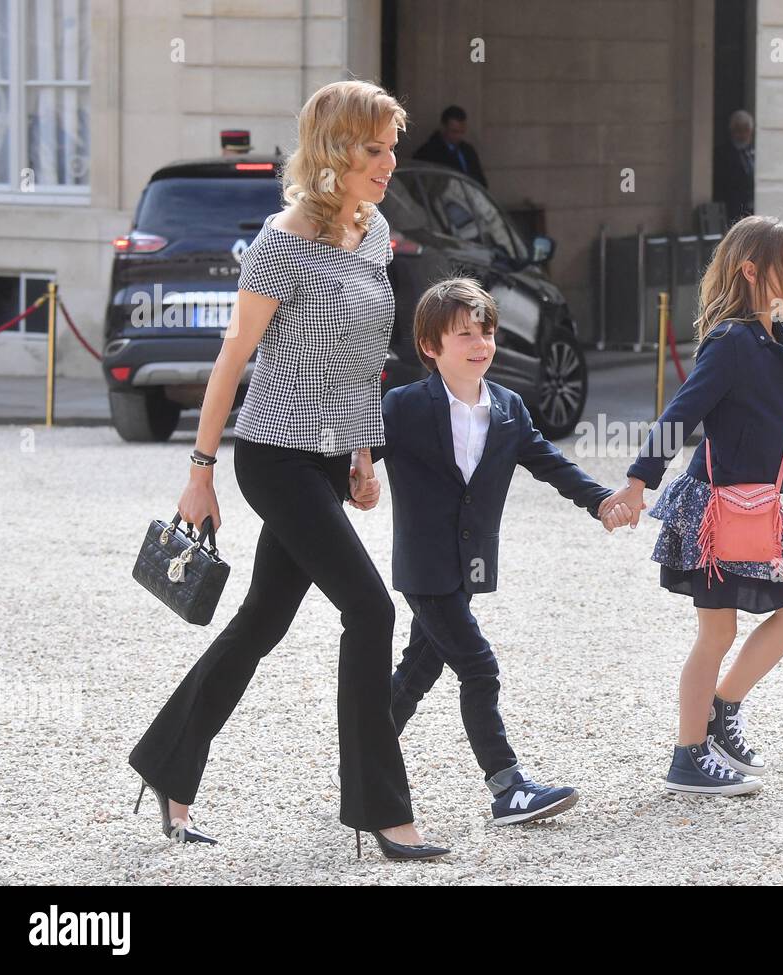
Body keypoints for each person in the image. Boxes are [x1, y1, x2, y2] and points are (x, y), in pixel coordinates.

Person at [128, 80, 449, 862]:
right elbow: (233, 356)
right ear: (336, 151)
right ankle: (380, 811)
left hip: (331, 455)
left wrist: (363, 456)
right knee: (371, 611)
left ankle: (165, 768)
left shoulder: (371, 235)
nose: (389, 161)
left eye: (391, 146)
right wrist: (201, 470)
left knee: (261, 623)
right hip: (272, 455)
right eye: (374, 148)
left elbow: (362, 360)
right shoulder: (281, 241)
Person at [600, 215, 783, 796]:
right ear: (752, 270)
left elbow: (782, 412)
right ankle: (688, 755)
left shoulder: (771, 342)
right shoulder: (731, 341)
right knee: (716, 634)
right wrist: (637, 480)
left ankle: (721, 714)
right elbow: (683, 411)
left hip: (759, 504)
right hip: (714, 507)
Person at [374, 277, 634, 824]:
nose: (480, 343)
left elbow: (549, 463)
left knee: (418, 671)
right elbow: (356, 455)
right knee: (479, 666)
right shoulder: (402, 407)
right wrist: (348, 480)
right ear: (430, 347)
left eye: (486, 331)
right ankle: (507, 786)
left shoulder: (509, 407)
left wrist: (601, 500)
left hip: (470, 566)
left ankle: (364, 760)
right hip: (425, 568)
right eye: (464, 334)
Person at [412, 105, 488, 187]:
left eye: (462, 132)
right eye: (454, 131)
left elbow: (481, 181)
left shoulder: (468, 151)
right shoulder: (427, 153)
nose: (458, 136)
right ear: (443, 128)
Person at [713, 109, 756, 223]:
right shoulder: (722, 154)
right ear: (732, 131)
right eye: (738, 130)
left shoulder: (755, 152)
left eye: (746, 129)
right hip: (733, 211)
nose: (742, 134)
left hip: (755, 209)